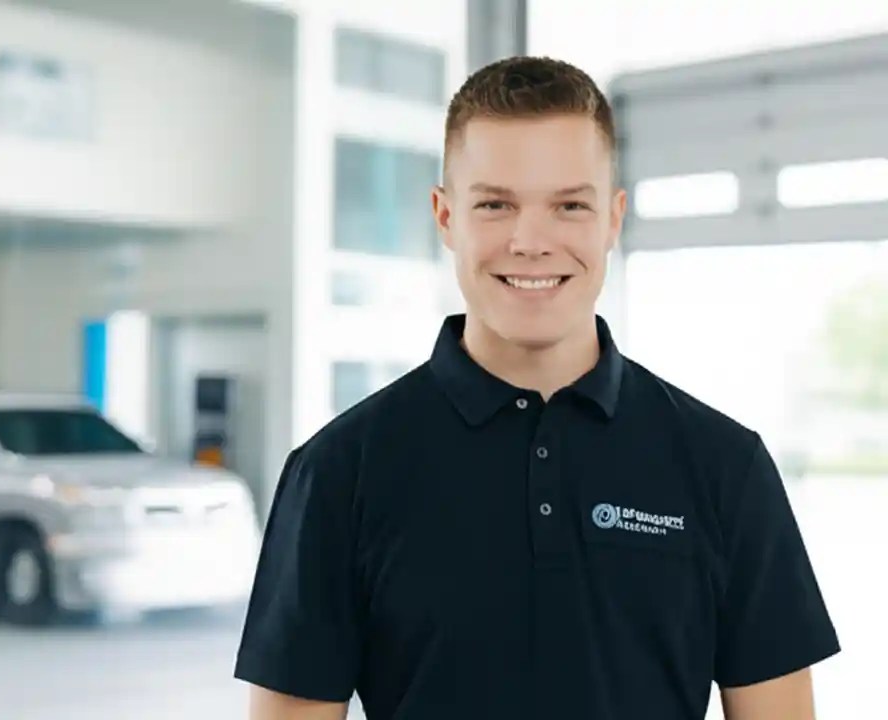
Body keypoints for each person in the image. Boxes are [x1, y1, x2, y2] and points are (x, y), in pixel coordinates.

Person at [234, 56, 839, 720]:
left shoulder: (725, 467)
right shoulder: (336, 472)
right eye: (495, 205)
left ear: (613, 219)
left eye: (569, 206)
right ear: (445, 217)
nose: (530, 241)